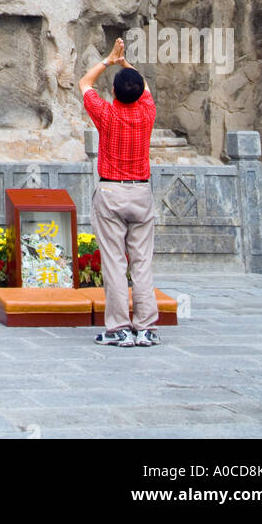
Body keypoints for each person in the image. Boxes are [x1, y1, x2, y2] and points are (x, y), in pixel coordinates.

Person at [79, 37, 160, 347]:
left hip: (111, 192)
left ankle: (119, 329)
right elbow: (144, 87)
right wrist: (125, 63)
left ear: (113, 92)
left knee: (115, 263)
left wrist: (109, 60)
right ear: (140, 94)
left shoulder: (107, 115)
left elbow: (84, 83)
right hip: (141, 194)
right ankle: (147, 328)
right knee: (142, 263)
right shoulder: (146, 114)